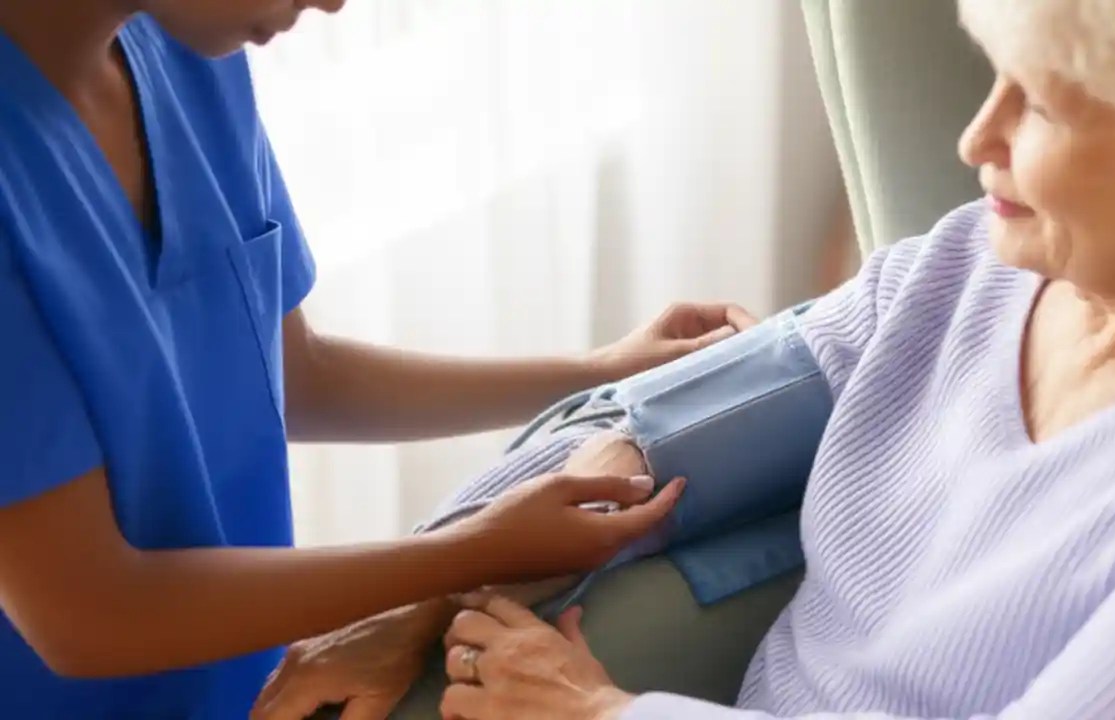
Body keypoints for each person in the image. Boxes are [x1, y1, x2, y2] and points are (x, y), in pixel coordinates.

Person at [292, 0, 1115, 718]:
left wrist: (603, 716)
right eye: (992, 77)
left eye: (1044, 108)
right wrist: (420, 600)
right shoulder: (963, 264)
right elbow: (657, 435)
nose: (975, 134)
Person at [0, 2, 757, 718]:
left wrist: (598, 371)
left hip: (260, 688)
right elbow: (86, 613)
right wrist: (470, 552)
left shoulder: (186, 55)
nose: (333, 5)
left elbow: (293, 374)